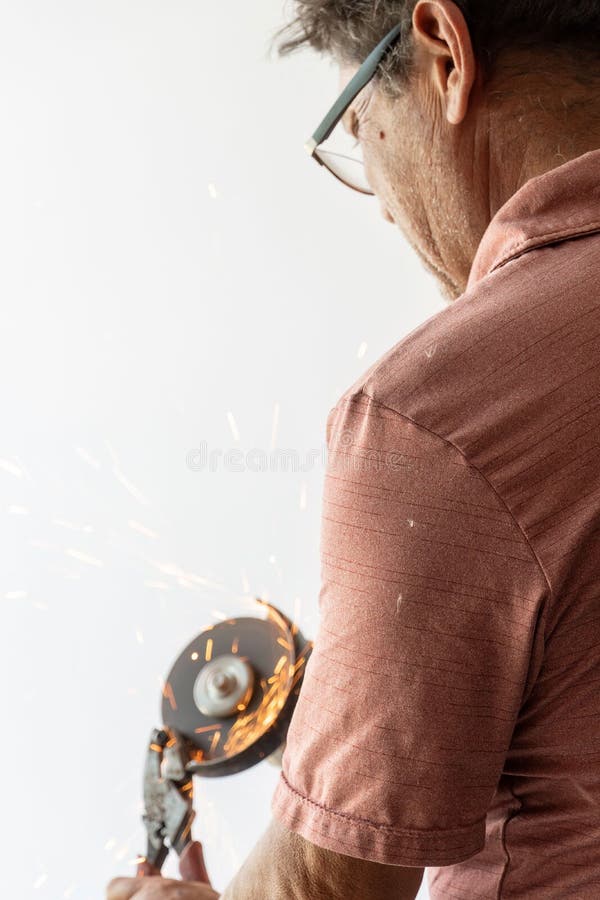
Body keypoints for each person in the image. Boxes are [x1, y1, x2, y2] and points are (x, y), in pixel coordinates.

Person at [107, 1, 600, 897]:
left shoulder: (439, 414)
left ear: (445, 55)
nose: (377, 203)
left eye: (360, 125)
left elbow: (329, 890)